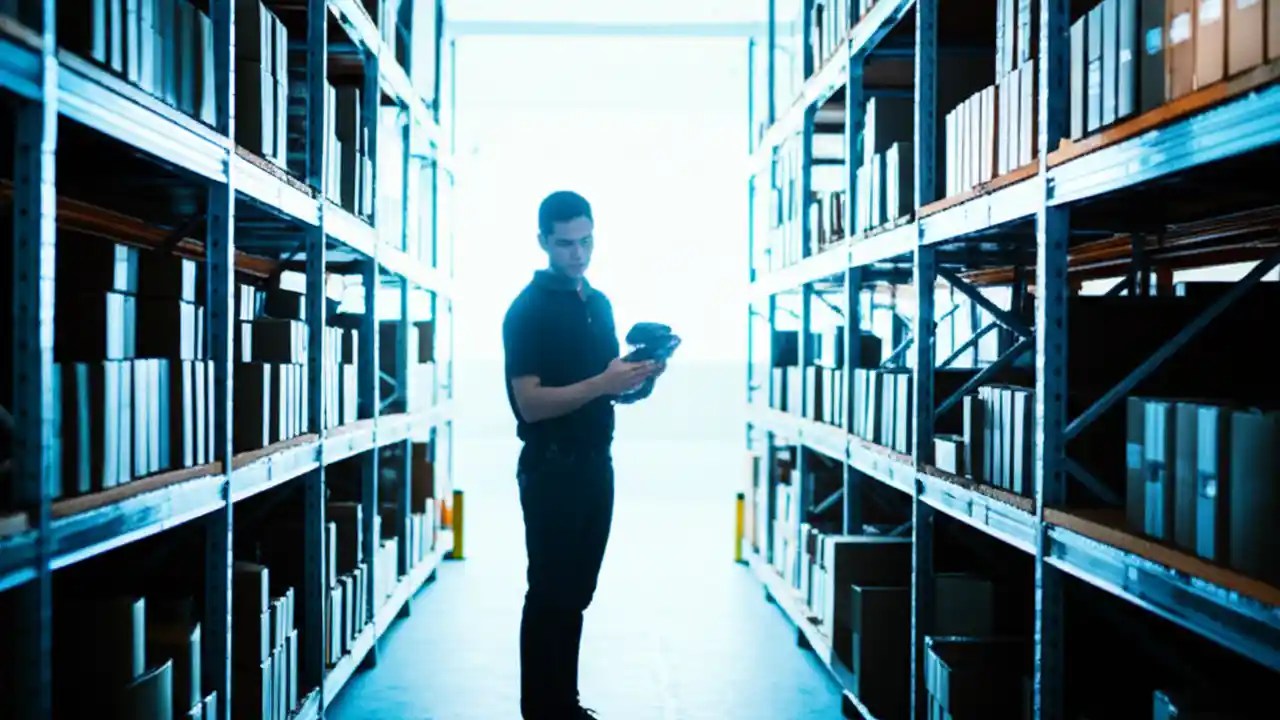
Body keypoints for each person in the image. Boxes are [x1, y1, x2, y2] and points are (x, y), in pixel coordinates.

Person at [502, 190, 663, 719]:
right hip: (552, 468)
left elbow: (610, 387)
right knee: (549, 590)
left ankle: (562, 705)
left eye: (586, 241)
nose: (579, 253)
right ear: (544, 241)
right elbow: (530, 404)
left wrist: (640, 378)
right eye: (567, 243)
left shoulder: (598, 303)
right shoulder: (526, 312)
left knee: (576, 592)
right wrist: (602, 381)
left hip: (597, 463)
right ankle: (542, 711)